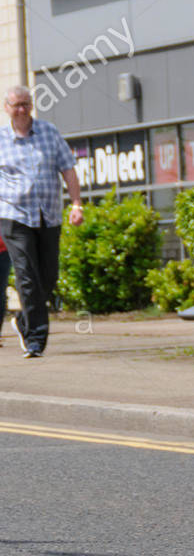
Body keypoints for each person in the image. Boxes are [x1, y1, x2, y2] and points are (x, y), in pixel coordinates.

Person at [0, 86, 84, 358]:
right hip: (14, 216)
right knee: (26, 275)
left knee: (48, 275)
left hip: (48, 214)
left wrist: (77, 203)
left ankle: (23, 321)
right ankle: (35, 338)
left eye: (26, 104)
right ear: (6, 108)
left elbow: (68, 168)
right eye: (16, 105)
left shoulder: (49, 132)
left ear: (32, 105)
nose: (22, 109)